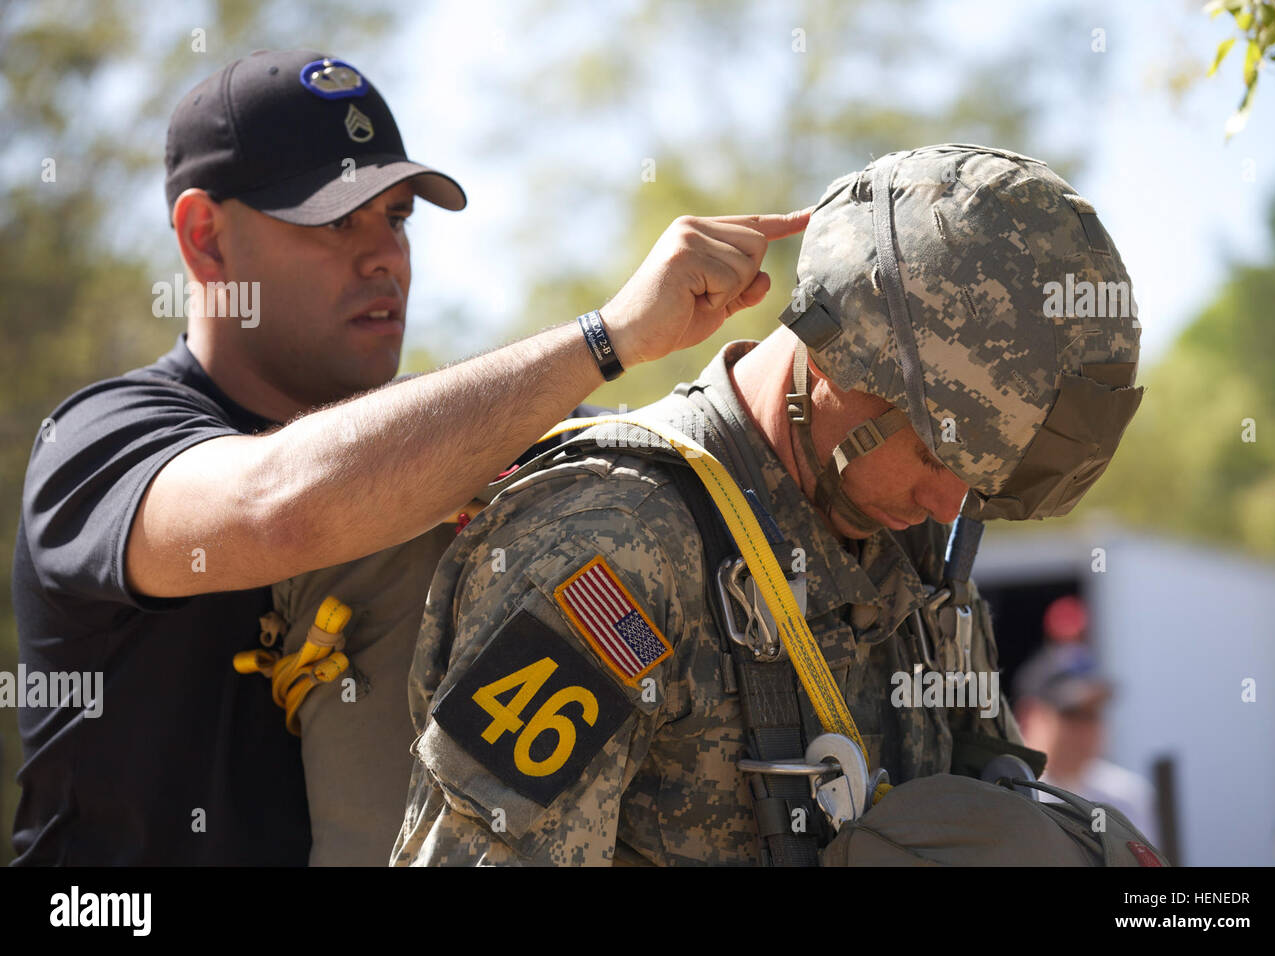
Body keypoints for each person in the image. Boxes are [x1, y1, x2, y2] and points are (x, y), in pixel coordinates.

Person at [10, 48, 807, 865]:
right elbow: (280, 508)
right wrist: (606, 339)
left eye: (396, 217)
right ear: (205, 239)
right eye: (333, 219)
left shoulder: (452, 439)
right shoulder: (99, 441)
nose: (384, 255)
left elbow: (670, 473)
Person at [392, 143, 1146, 865]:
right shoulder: (614, 550)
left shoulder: (913, 549)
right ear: (834, 360)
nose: (949, 503)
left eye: (983, 478)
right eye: (934, 453)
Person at [1014, 634, 1159, 842]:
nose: (1086, 729)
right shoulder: (1008, 795)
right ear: (1030, 716)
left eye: (1093, 714)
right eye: (1072, 714)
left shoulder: (1128, 797)